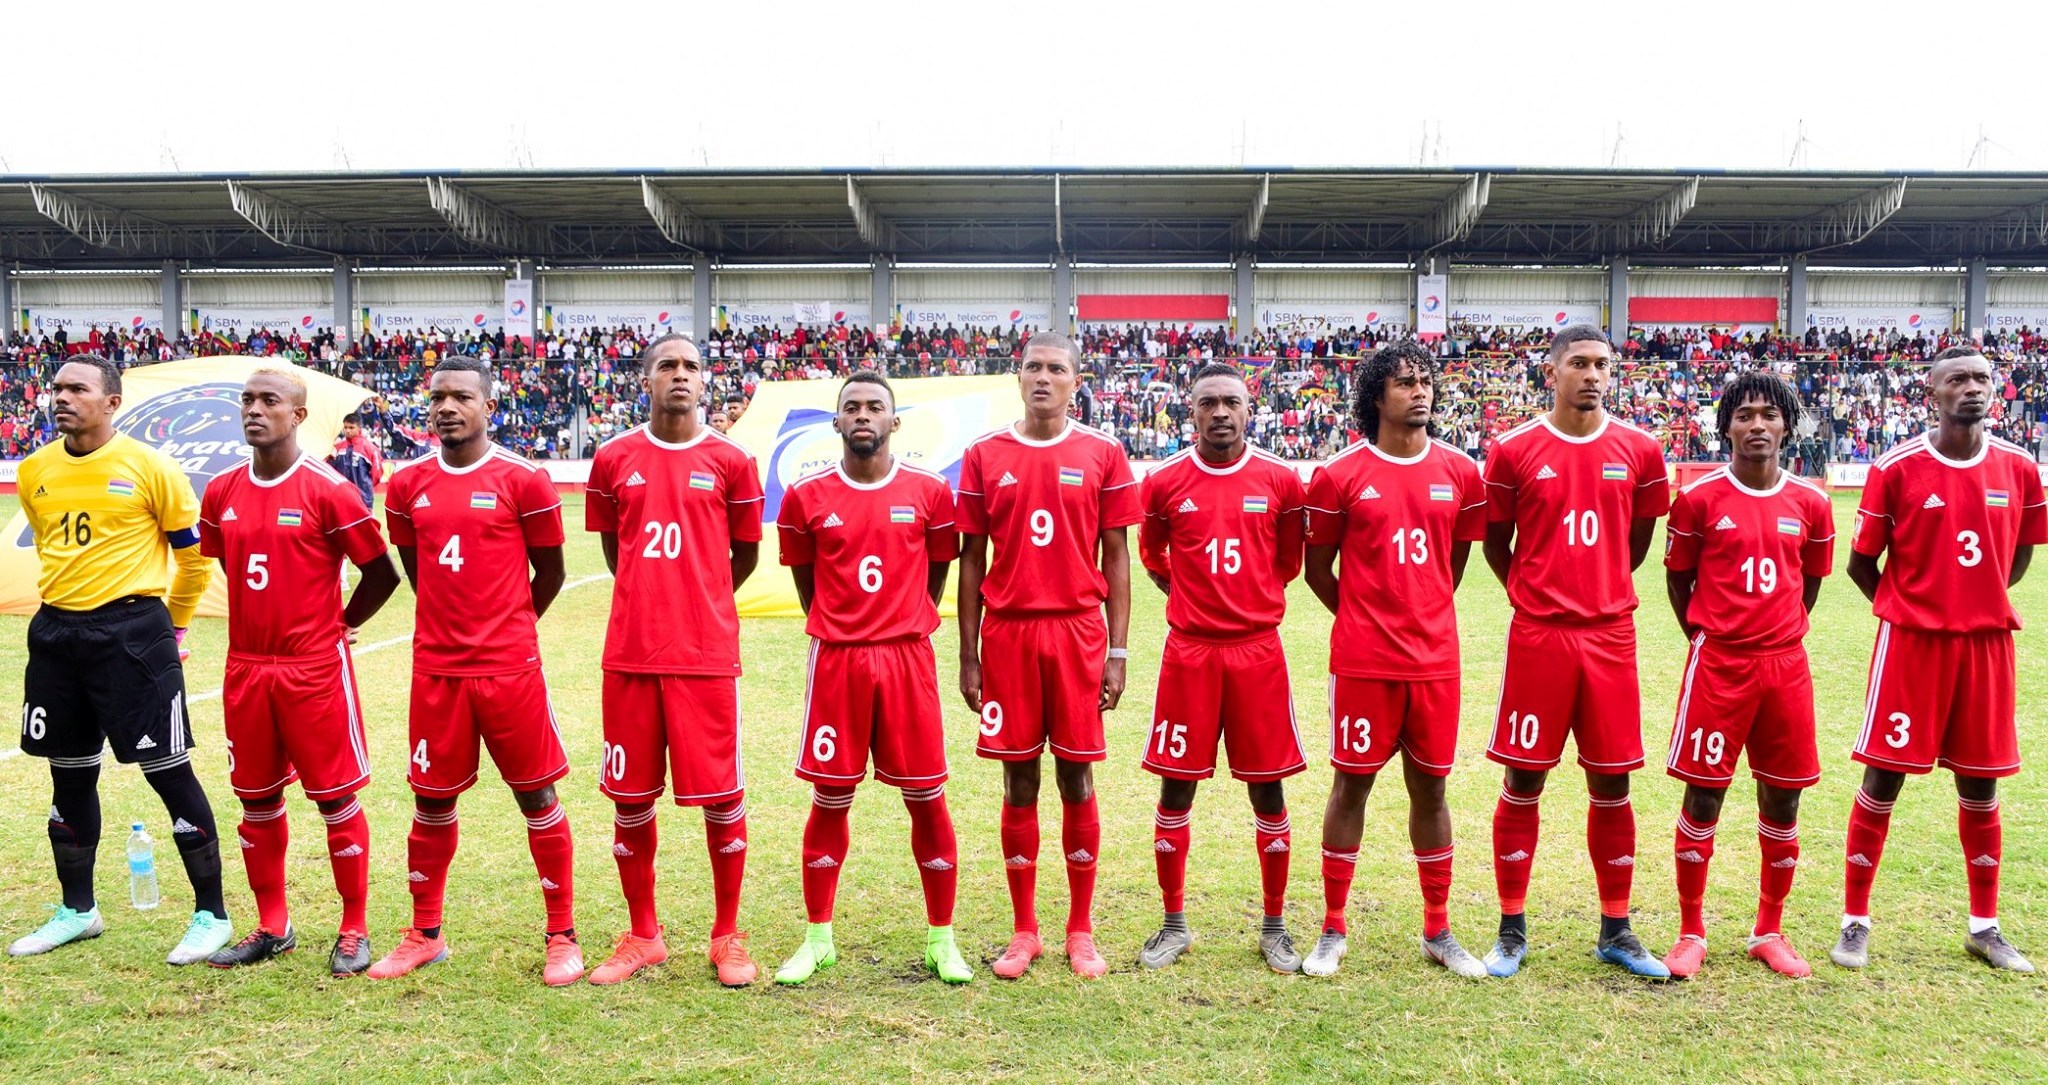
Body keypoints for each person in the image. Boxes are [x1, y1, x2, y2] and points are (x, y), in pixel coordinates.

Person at [8, 354, 233, 965]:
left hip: (133, 633)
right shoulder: (35, 469)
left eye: (77, 389)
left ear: (111, 402)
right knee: (69, 773)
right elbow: (52, 544)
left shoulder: (150, 466)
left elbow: (194, 558)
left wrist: (175, 626)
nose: (61, 397)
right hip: (57, 635)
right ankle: (78, 910)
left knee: (168, 771)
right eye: (57, 388)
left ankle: (211, 914)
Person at [369, 356, 583, 986]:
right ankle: (424, 934)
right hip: (437, 670)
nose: (447, 407)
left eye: (462, 397)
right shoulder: (406, 486)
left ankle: (562, 936)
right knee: (430, 799)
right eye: (438, 396)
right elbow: (417, 570)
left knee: (536, 794)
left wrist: (509, 626)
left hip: (509, 669)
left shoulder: (525, 479)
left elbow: (551, 572)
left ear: (488, 406)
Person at [1831, 346, 2046, 973]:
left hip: (1986, 644)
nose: (1972, 387)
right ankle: (1854, 921)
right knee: (1883, 776)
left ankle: (1985, 927)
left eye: (1982, 378)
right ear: (1932, 394)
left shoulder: (2019, 467)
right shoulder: (1896, 467)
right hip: (1912, 645)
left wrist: (1978, 598)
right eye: (1957, 379)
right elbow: (1861, 564)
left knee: (1981, 782)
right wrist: (1911, 607)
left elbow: (2020, 555)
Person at [1479, 325, 1672, 979]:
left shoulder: (1640, 449)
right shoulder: (1512, 450)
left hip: (1610, 635)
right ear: (1551, 372)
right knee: (1523, 777)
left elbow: (1637, 541)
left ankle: (1617, 929)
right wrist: (1535, 591)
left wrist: (1598, 586)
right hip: (1540, 636)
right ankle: (1511, 929)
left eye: (1603, 365)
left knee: (1612, 781)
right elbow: (1496, 542)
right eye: (1580, 364)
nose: (1593, 375)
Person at [196, 369, 404, 974]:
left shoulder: (328, 489)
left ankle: (354, 927)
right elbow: (233, 564)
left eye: (269, 400)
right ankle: (272, 926)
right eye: (247, 399)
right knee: (256, 799)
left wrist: (339, 623)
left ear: (299, 416)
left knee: (335, 798)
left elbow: (382, 573)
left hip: (312, 668)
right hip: (246, 666)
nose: (254, 409)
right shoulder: (222, 491)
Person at [772, 371, 972, 986]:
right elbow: (807, 583)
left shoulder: (931, 492)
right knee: (830, 797)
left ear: (894, 421)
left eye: (875, 407)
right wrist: (843, 624)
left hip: (907, 659)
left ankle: (942, 939)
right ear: (836, 422)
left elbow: (937, 574)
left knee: (927, 798)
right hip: (838, 661)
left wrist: (901, 619)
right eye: (852, 407)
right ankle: (818, 938)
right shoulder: (804, 497)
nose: (863, 415)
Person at [1299, 341, 1488, 979]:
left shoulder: (1461, 472)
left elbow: (1452, 566)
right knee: (1350, 785)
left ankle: (1438, 928)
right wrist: (1362, 616)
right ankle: (1332, 928)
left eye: (1425, 380)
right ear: (1377, 395)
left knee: (1431, 788)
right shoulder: (1339, 475)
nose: (1420, 391)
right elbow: (1317, 570)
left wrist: (1419, 611)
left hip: (1435, 662)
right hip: (1363, 663)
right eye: (1405, 382)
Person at [956, 330, 1138, 979]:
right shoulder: (984, 455)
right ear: (1018, 376)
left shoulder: (1103, 452)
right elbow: (971, 559)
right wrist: (969, 654)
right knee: (1018, 777)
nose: (1043, 377)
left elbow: (1116, 556)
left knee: (1076, 775)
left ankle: (1080, 929)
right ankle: (1024, 929)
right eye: (1033, 366)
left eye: (1056, 368)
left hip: (1077, 633)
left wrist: (1117, 650)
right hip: (1008, 635)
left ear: (1076, 381)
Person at [583, 335, 764, 986]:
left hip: (705, 656)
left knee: (722, 798)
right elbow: (615, 549)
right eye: (667, 365)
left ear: (704, 380)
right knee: (630, 798)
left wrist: (699, 598)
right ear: (646, 379)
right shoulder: (614, 457)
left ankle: (727, 935)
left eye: (690, 366)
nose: (679, 375)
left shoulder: (732, 461)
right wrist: (650, 595)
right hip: (632, 654)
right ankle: (643, 934)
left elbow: (744, 555)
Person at [1657, 373, 1834, 980]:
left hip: (1785, 666)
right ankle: (1690, 931)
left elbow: (1809, 584)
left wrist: (1775, 631)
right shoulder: (1698, 500)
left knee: (1783, 797)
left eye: (1769, 414)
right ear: (1725, 427)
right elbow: (1678, 580)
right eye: (1744, 415)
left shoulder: (1812, 503)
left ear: (1786, 426)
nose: (1757, 425)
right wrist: (1708, 636)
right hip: (1719, 664)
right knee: (1704, 793)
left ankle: (1769, 930)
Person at [1135, 363, 1308, 973]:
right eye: (1207, 402)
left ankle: (1275, 927)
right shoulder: (1163, 481)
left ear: (1248, 408)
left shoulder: (1281, 480)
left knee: (1268, 787)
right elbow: (1152, 553)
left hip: (1257, 652)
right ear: (1191, 411)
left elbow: (1288, 562)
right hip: (1190, 653)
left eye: (1231, 402)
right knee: (1175, 784)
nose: (1220, 413)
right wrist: (1190, 594)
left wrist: (1246, 601)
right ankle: (1173, 924)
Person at [328, 412, 383, 511]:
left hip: (363, 500)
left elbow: (377, 474)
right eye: (345, 427)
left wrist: (365, 487)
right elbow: (329, 470)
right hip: (341, 499)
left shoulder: (370, 448)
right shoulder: (337, 448)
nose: (347, 431)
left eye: (351, 427)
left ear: (359, 428)